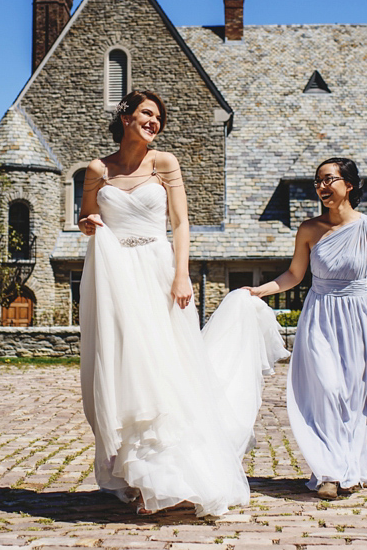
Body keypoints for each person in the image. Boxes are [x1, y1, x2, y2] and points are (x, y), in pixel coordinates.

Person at [77, 91, 289, 518]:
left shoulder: (165, 163)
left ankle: (166, 473)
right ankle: (135, 475)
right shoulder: (98, 169)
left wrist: (180, 273)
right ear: (125, 116)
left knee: (162, 367)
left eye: (158, 117)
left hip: (157, 270)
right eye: (147, 113)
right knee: (123, 367)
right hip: (113, 276)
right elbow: (84, 220)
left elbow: (180, 222)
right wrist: (89, 222)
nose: (154, 122)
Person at [247, 157, 367, 500]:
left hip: (357, 318)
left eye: (329, 179)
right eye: (318, 181)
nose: (321, 186)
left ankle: (350, 468)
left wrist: (359, 289)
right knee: (327, 389)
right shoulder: (309, 229)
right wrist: (259, 291)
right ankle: (329, 473)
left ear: (349, 184)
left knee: (353, 395)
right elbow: (294, 275)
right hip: (319, 316)